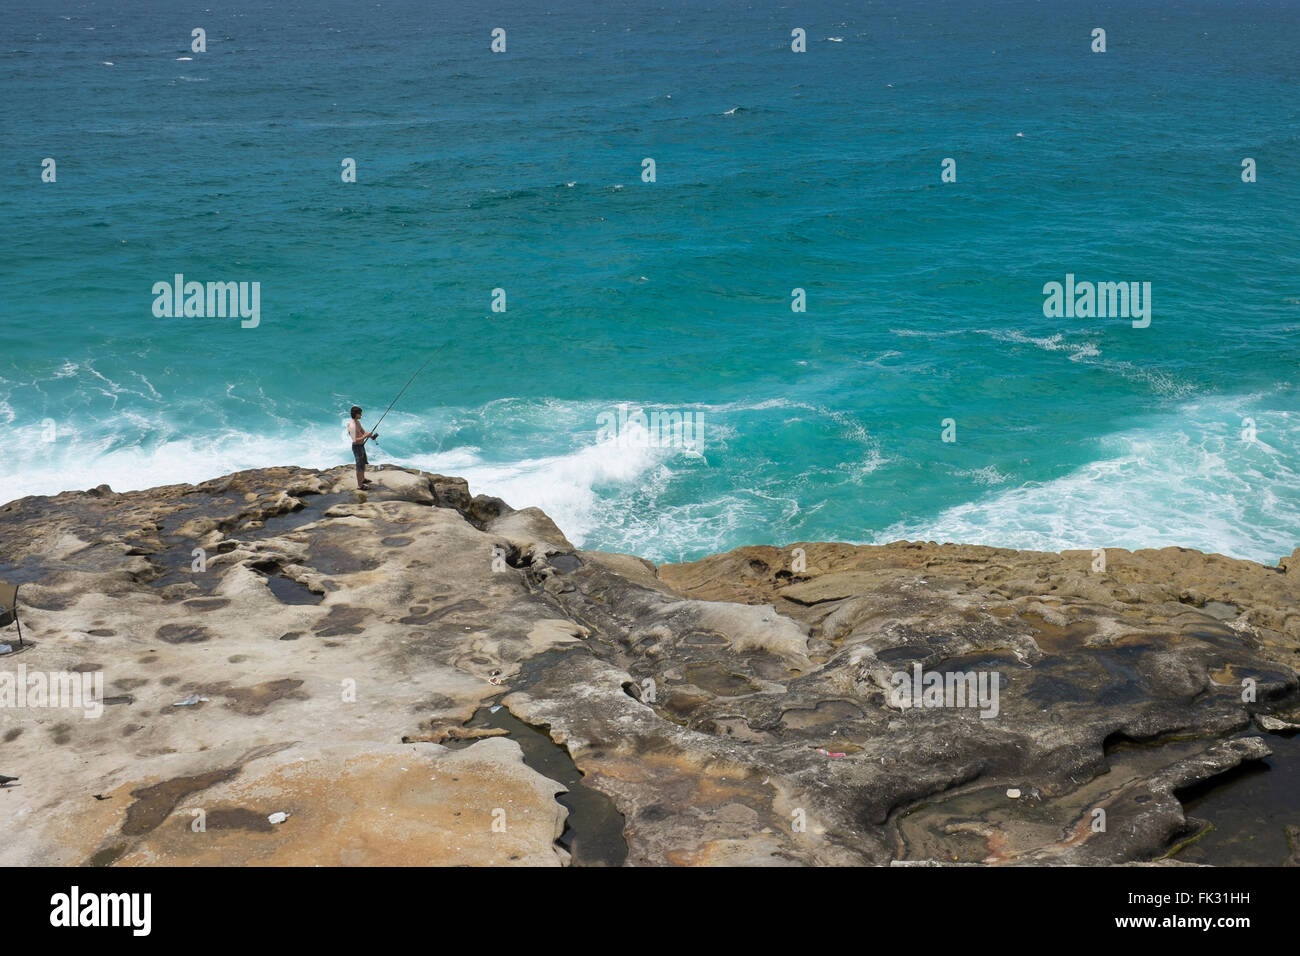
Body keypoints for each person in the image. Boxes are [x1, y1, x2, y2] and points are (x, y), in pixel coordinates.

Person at [347, 406, 377, 489]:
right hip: (357, 447)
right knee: (359, 466)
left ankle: (363, 479)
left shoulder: (357, 422)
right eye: (360, 414)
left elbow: (363, 432)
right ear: (356, 414)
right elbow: (354, 440)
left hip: (361, 446)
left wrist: (370, 436)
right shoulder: (352, 425)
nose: (361, 415)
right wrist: (365, 437)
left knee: (363, 463)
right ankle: (359, 486)